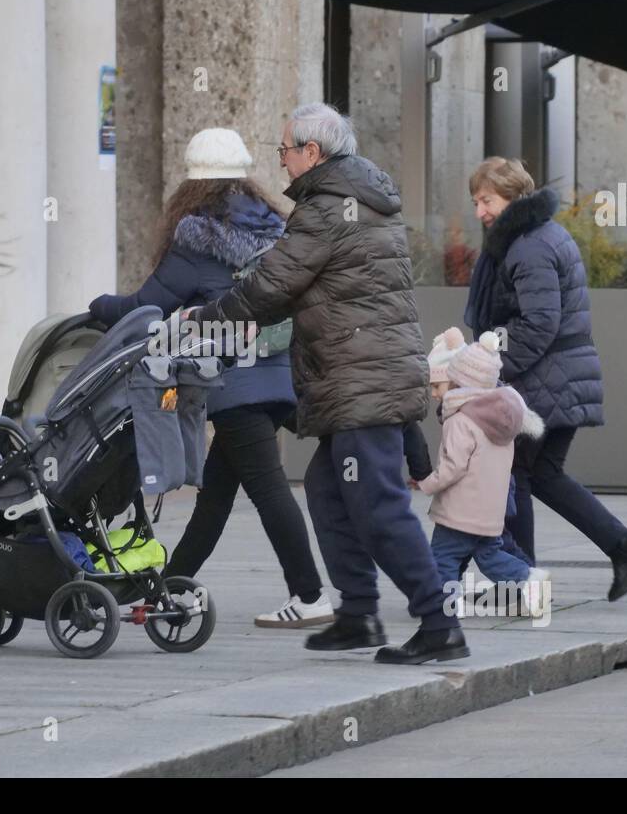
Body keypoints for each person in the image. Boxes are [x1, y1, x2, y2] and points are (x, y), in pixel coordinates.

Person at [193, 102, 468, 665]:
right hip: (363, 372)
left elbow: (274, 285)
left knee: (380, 506)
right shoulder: (360, 197)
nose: (283, 161)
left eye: (285, 150)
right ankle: (359, 614)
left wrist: (207, 319)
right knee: (327, 487)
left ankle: (439, 625)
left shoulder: (326, 207)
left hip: (361, 378)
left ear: (311, 153)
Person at [88, 128, 332, 628]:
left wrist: (98, 307)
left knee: (268, 491)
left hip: (234, 384)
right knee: (216, 498)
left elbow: (145, 306)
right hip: (277, 375)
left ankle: (310, 596)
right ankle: (168, 592)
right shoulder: (275, 227)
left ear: (192, 183)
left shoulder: (198, 238)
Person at [464, 157, 627, 601]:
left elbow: (539, 323)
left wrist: (493, 365)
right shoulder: (535, 236)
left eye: (486, 200)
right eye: (475, 202)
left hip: (544, 382)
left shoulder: (528, 245)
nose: (479, 212)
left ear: (512, 197)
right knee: (542, 474)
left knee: (515, 477)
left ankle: (521, 583)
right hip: (558, 378)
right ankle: (623, 545)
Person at [417, 328, 550, 613]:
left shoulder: (461, 421)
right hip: (491, 510)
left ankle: (442, 609)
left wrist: (426, 483)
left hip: (461, 511)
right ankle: (528, 576)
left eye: (439, 385)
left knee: (443, 557)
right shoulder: (503, 423)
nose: (434, 394)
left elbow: (453, 467)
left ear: (458, 382)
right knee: (489, 555)